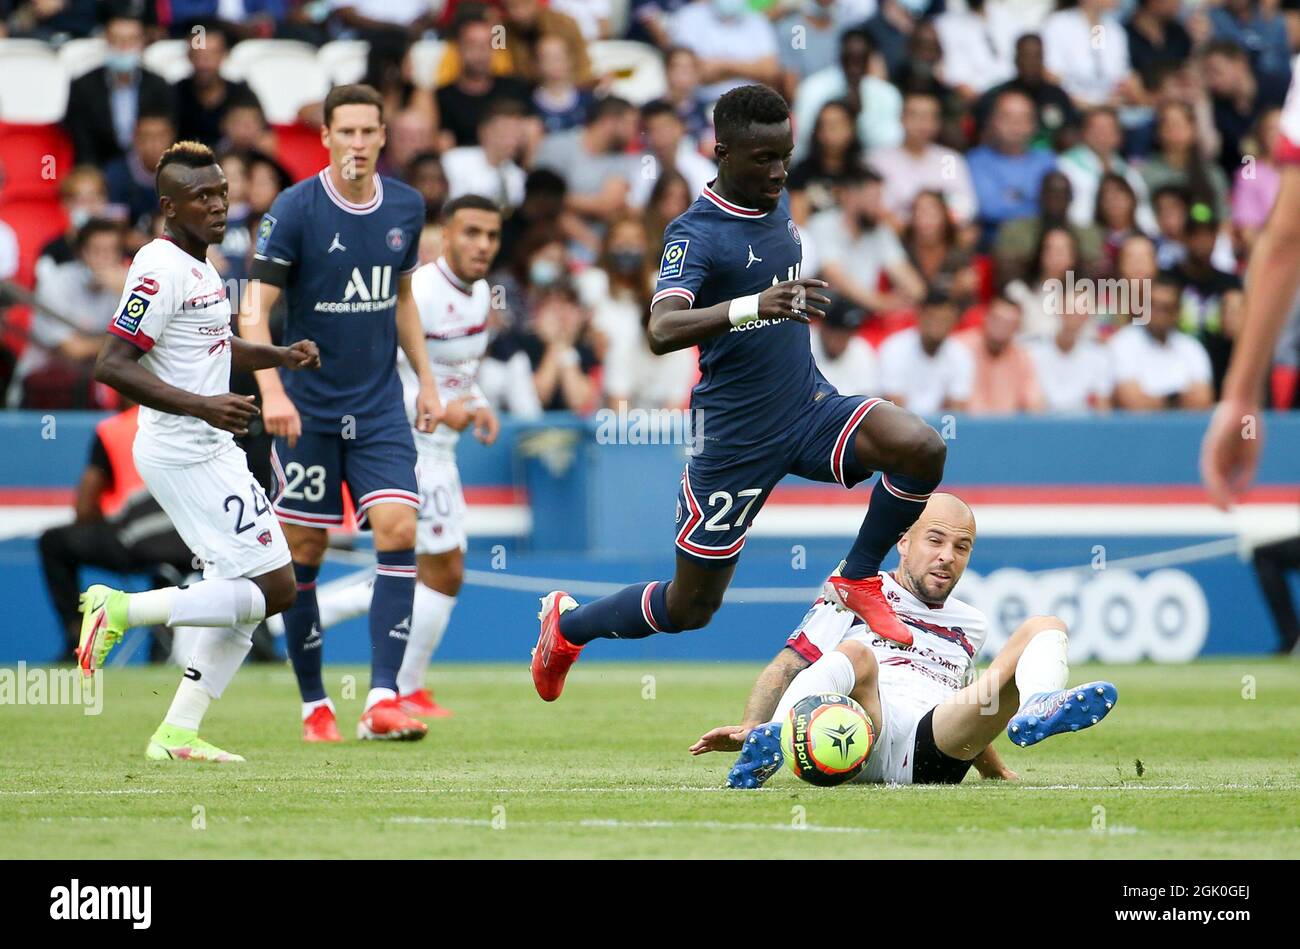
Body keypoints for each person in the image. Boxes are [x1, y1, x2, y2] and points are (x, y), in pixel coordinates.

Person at [530, 85, 950, 702]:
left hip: (808, 407)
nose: (779, 170)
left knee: (921, 449)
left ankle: (858, 575)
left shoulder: (776, 202)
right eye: (762, 158)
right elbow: (661, 328)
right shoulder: (694, 233)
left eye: (785, 154)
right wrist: (755, 306)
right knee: (691, 606)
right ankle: (566, 629)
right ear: (722, 152)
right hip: (733, 440)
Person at [83, 140, 321, 763]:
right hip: (185, 450)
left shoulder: (201, 265)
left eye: (221, 191)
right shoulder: (158, 267)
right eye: (203, 197)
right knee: (277, 589)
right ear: (169, 206)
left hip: (206, 444)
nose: (219, 204)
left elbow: (213, 346)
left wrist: (279, 354)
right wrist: (201, 405)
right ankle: (122, 608)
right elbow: (113, 364)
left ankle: (178, 732)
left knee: (241, 598)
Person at [241, 84, 441, 744]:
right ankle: (314, 703)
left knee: (398, 526)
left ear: (384, 136)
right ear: (325, 136)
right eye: (345, 132)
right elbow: (253, 311)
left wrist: (428, 383)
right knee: (304, 550)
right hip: (306, 409)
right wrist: (271, 391)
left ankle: (383, 696)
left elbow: (402, 298)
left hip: (381, 405)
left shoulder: (407, 207)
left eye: (368, 132)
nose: (357, 143)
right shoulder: (294, 210)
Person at [691, 494, 1118, 789]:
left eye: (961, 547)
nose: (947, 556)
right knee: (858, 654)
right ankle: (772, 738)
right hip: (857, 732)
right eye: (935, 540)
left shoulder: (971, 624)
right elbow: (788, 665)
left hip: (933, 748)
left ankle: (1038, 703)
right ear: (903, 540)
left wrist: (994, 771)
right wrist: (752, 727)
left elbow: (967, 701)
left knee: (1045, 624)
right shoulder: (856, 590)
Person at [298, 196, 504, 718]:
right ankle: (401, 684)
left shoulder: (480, 296)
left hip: (443, 447)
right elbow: (382, 373)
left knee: (432, 570)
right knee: (441, 567)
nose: (482, 245)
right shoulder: (423, 293)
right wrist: (434, 408)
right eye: (471, 232)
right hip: (406, 443)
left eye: (492, 236)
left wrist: (475, 405)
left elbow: (453, 370)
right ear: (446, 235)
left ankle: (296, 614)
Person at [39, 404, 193, 662]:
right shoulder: (189, 418)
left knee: (53, 542)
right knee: (167, 567)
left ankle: (77, 642)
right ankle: (260, 649)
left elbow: (84, 509)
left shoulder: (114, 430)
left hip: (138, 544)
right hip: (193, 544)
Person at [63, 9, 175, 167]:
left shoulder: (158, 85)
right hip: (99, 168)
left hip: (147, 169)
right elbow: (80, 141)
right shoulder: (83, 86)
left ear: (142, 42)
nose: (124, 47)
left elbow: (166, 134)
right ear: (106, 41)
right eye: (117, 40)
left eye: (131, 40)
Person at [1110, 271, 1214, 410]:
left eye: (1166, 308)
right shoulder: (1124, 342)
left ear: (1177, 312)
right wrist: (1177, 399)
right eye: (1152, 306)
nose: (1158, 314)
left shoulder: (1191, 347)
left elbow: (1203, 400)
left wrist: (1155, 400)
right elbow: (1131, 401)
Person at [879, 290, 975, 414]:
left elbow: (957, 408)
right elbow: (894, 406)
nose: (938, 326)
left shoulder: (961, 354)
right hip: (900, 427)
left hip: (942, 429)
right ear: (920, 315)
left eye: (944, 319)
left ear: (954, 321)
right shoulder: (894, 348)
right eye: (933, 318)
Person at [954, 293, 1047, 414]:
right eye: (997, 319)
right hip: (964, 427)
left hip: (1006, 429)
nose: (1001, 327)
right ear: (985, 318)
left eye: (1009, 323)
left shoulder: (1022, 358)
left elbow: (1034, 405)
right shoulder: (959, 348)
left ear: (1017, 327)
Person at [809, 295, 878, 398]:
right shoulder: (805, 343)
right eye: (837, 333)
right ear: (823, 328)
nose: (840, 341)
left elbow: (866, 399)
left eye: (846, 334)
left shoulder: (861, 350)